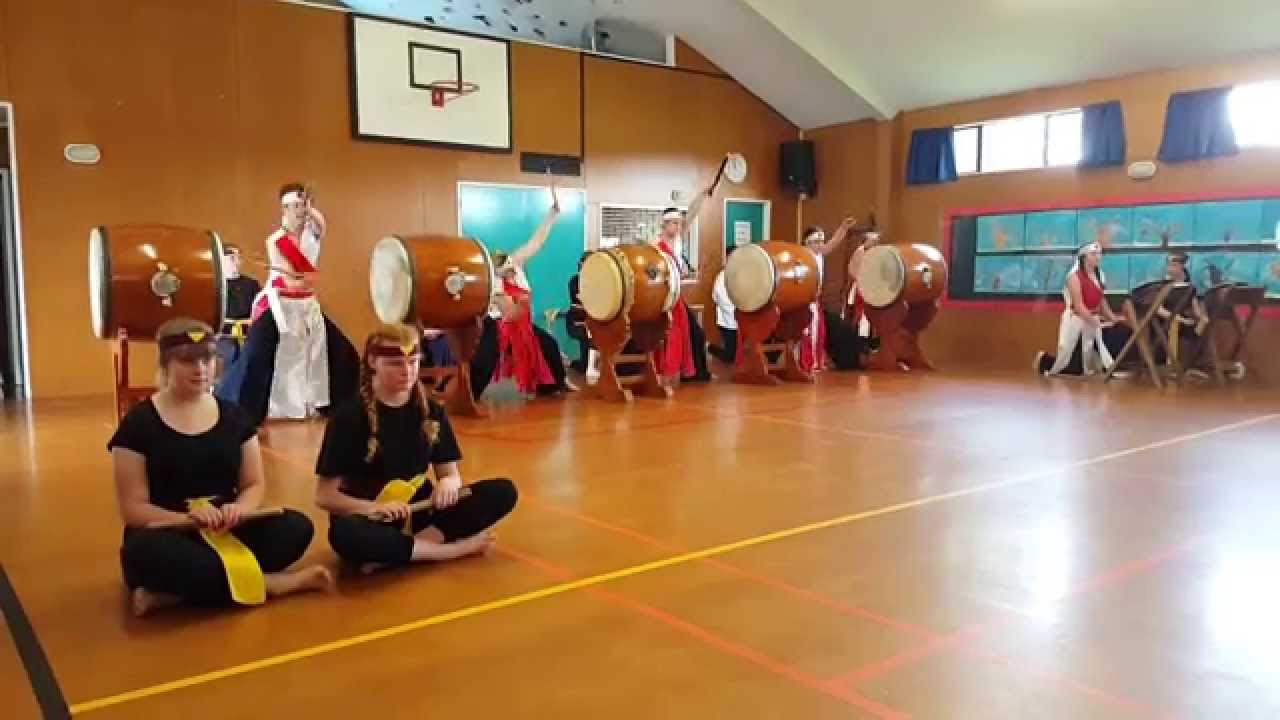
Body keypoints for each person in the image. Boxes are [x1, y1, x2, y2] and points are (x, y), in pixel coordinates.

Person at [110, 318, 331, 617]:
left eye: (207, 359)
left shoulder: (234, 416)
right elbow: (133, 508)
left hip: (227, 527)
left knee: (296, 527)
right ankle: (277, 584)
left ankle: (175, 596)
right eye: (187, 361)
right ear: (165, 364)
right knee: (144, 555)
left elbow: (253, 484)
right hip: (169, 532)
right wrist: (187, 518)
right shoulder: (138, 424)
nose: (200, 369)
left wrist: (239, 509)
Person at [315, 324, 518, 574]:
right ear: (372, 362)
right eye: (396, 364)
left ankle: (407, 551)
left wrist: (448, 486)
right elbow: (325, 496)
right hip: (372, 518)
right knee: (345, 535)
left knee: (502, 491)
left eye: (413, 361)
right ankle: (448, 551)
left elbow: (450, 474)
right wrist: (374, 509)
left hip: (420, 512)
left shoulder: (431, 411)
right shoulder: (348, 418)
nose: (407, 371)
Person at [216, 183, 358, 425]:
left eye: (302, 205)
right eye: (294, 206)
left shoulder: (311, 232)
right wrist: (306, 280)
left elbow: (322, 226)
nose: (299, 211)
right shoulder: (276, 241)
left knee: (339, 352)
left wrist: (310, 207)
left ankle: (334, 405)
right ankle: (242, 408)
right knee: (259, 355)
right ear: (284, 209)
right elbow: (291, 282)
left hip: (307, 305)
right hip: (280, 304)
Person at [469, 186, 575, 399]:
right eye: (501, 271)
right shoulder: (493, 281)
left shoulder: (517, 263)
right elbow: (505, 308)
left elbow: (537, 241)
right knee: (485, 357)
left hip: (522, 326)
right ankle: (470, 393)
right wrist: (502, 299)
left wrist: (552, 215)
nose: (506, 273)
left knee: (549, 345)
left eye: (507, 269)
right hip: (500, 325)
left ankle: (556, 384)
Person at [1034, 242, 1132, 377]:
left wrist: (1112, 317)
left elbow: (1101, 299)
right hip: (1077, 321)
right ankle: (1044, 360)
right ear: (1084, 257)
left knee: (1085, 361)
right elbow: (1079, 306)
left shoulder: (1100, 275)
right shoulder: (1073, 277)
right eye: (1093, 254)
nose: (1098, 257)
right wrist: (1093, 321)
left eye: (1099, 254)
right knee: (1070, 364)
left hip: (1091, 320)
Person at [650, 204, 713, 383]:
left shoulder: (676, 245)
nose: (678, 227)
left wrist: (690, 275)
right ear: (665, 224)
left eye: (679, 223)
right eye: (675, 224)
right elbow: (655, 273)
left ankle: (690, 373)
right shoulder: (657, 246)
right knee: (673, 334)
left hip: (675, 297)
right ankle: (668, 373)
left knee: (690, 334)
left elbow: (676, 273)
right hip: (664, 298)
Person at [798, 219, 856, 372]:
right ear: (807, 242)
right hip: (806, 300)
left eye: (821, 241)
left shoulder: (819, 254)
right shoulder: (803, 255)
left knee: (820, 332)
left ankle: (817, 361)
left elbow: (833, 243)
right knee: (809, 333)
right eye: (816, 241)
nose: (820, 244)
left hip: (815, 300)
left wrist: (843, 228)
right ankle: (807, 362)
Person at [216, 244, 262, 375]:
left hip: (247, 334)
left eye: (238, 257)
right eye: (231, 258)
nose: (235, 261)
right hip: (223, 336)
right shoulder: (215, 284)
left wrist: (253, 321)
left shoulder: (251, 284)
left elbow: (260, 309)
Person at [709, 253, 738, 365]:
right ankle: (711, 348)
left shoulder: (743, 273)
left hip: (743, 318)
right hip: (728, 321)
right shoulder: (722, 277)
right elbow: (719, 298)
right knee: (730, 356)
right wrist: (738, 309)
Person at [566, 253, 591, 373]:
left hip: (594, 321)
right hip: (577, 320)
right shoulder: (575, 281)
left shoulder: (601, 281)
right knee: (587, 335)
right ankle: (573, 363)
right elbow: (578, 302)